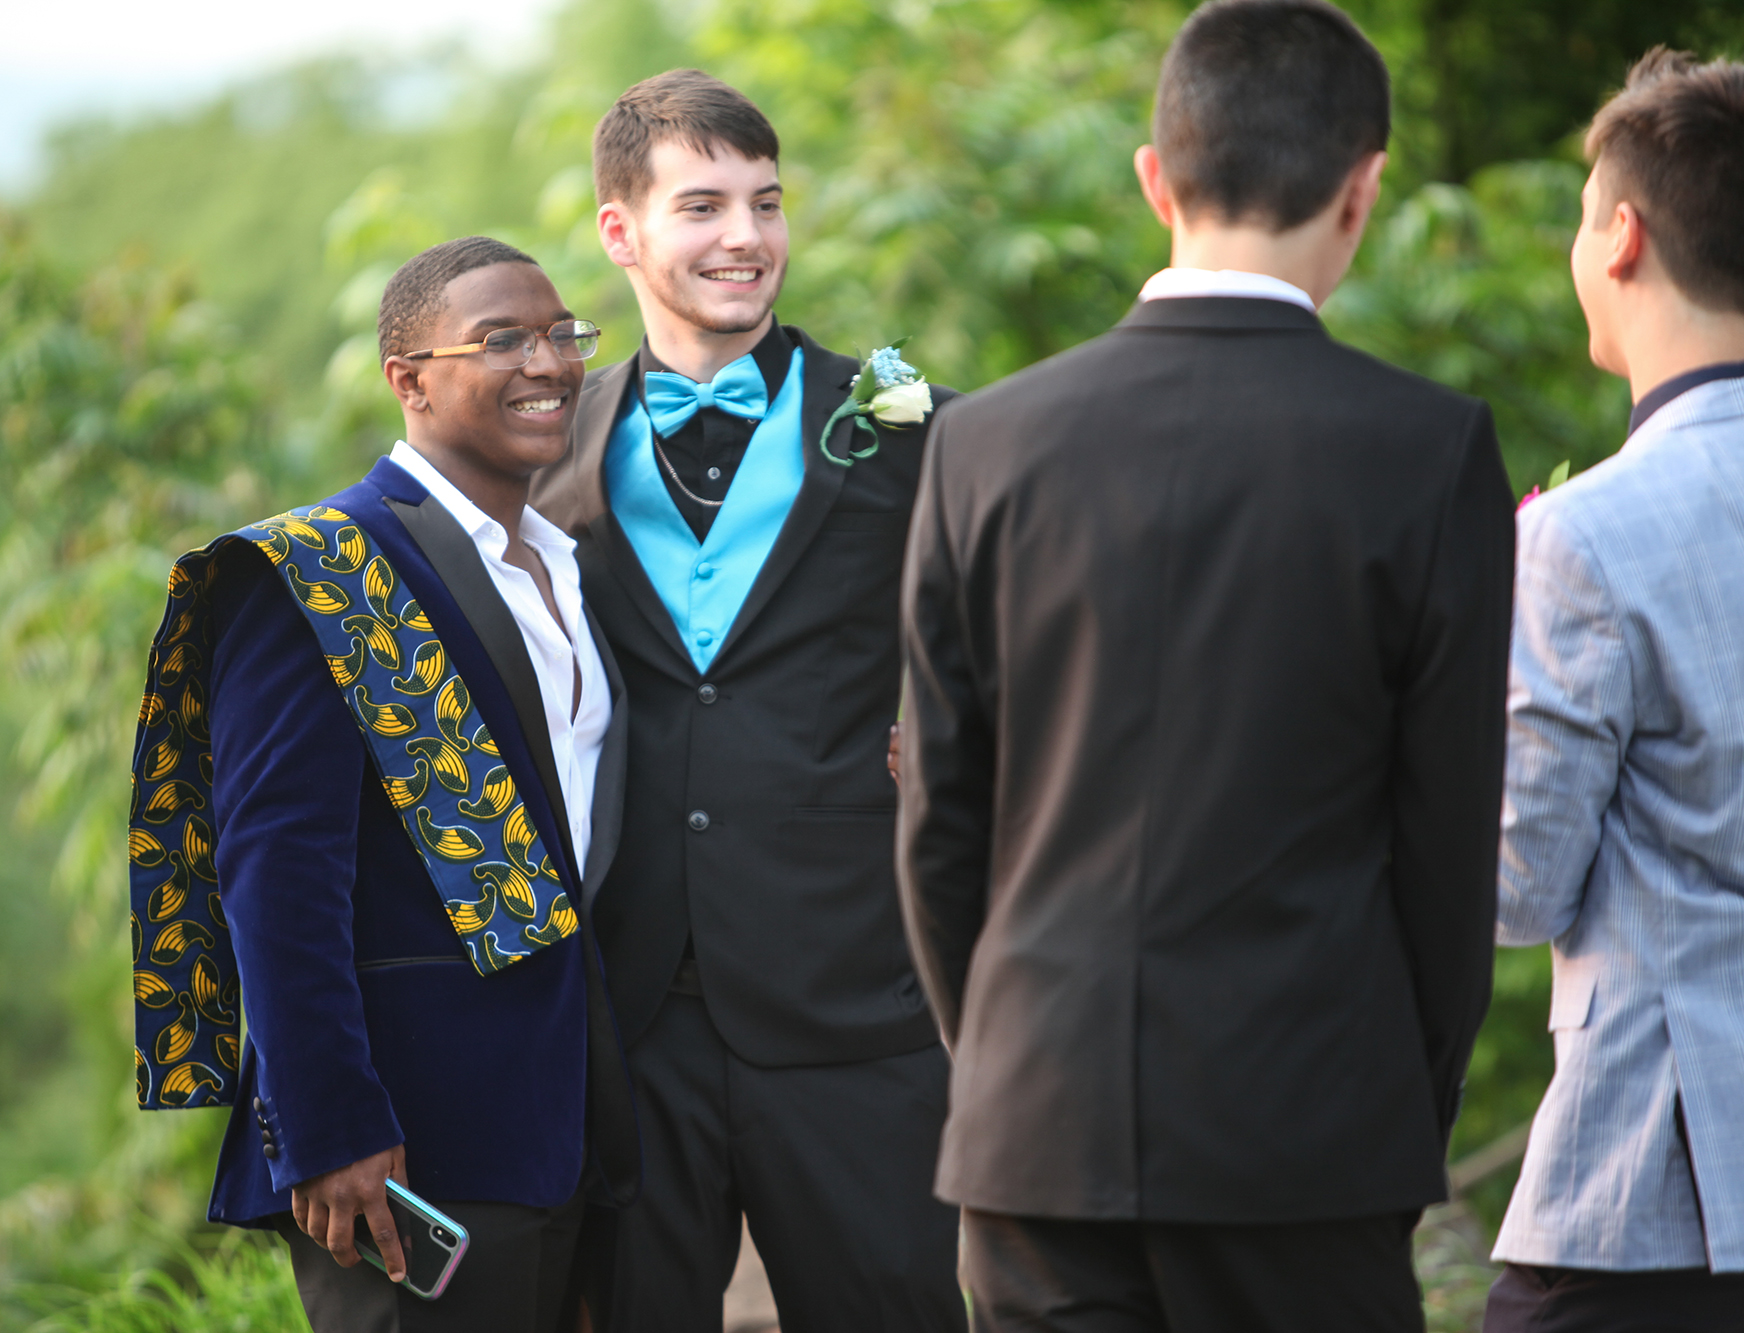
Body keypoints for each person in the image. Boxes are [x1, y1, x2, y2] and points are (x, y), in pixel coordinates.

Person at [895, 2, 1517, 1329]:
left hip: (1032, 1131)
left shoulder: (983, 445)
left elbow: (940, 820)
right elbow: (1449, 842)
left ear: (1152, 177)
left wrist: (1003, 1052)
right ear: (1365, 190)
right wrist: (1394, 1102)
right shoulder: (1427, 450)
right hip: (1310, 1133)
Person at [125, 236, 639, 1333]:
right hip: (408, 1148)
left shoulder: (569, 564)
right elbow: (275, 871)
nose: (547, 362)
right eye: (500, 339)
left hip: (574, 1125)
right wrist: (328, 1126)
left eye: (562, 335)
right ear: (406, 380)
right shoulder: (315, 569)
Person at [528, 69, 967, 1333]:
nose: (745, 238)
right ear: (620, 231)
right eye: (704, 204)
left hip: (859, 998)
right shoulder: (551, 445)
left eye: (767, 204)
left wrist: (948, 747)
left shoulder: (910, 432)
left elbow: (1019, 639)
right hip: (631, 1002)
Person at [1483, 49, 1744, 1333]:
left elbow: (1511, 884)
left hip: (1663, 1170)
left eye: (1582, 216)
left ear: (1622, 237)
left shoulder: (1587, 532)